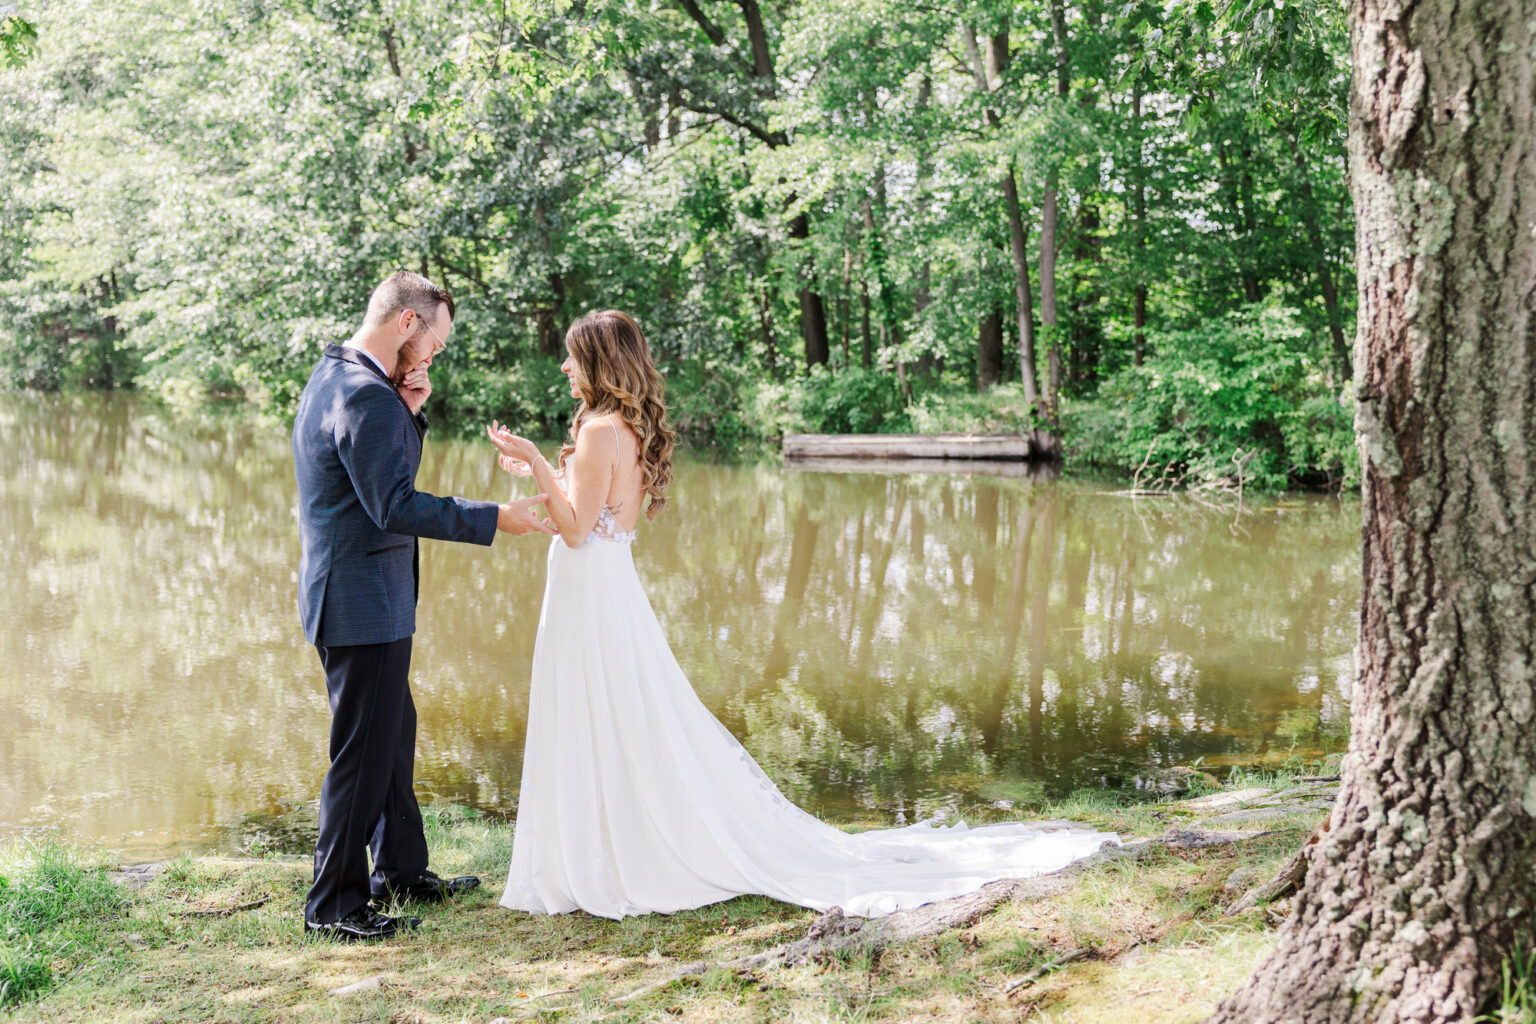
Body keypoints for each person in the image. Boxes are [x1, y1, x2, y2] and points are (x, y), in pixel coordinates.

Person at [486, 310, 1117, 921]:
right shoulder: (625, 427)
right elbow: (595, 515)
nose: (565, 365)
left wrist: (540, 462)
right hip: (607, 587)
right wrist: (544, 473)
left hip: (590, 588)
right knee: (616, 712)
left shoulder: (598, 431)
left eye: (573, 354)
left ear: (597, 360)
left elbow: (573, 532)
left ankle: (603, 855)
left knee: (596, 708)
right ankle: (611, 843)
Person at [291, 271, 554, 942]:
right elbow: (395, 505)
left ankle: (402, 872)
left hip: (352, 596)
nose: (435, 355)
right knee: (360, 756)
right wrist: (497, 517)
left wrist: (409, 408)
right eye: (435, 341)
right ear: (407, 323)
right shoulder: (364, 395)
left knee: (391, 739)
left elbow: (378, 478)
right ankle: (334, 904)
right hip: (361, 604)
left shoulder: (340, 376)